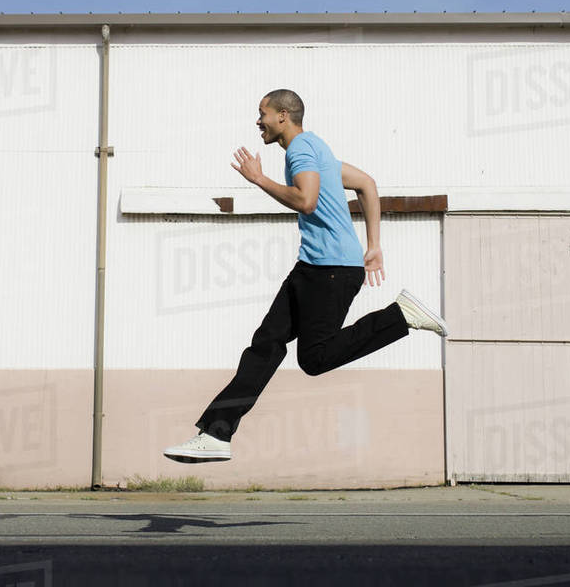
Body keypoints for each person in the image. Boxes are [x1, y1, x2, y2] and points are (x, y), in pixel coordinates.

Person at [163, 89, 446, 463]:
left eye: (261, 113)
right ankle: (217, 434)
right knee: (265, 345)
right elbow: (366, 183)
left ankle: (399, 317)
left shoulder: (300, 150)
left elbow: (306, 200)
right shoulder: (318, 150)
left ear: (283, 116)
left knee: (314, 359)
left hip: (329, 271)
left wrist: (259, 180)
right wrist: (373, 244)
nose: (257, 121)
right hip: (316, 267)